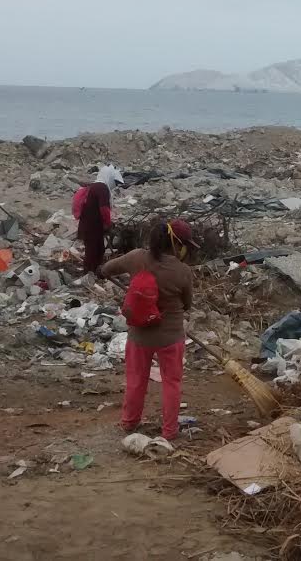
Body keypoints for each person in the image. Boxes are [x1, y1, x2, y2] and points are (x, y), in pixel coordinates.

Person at [99, 219, 196, 440]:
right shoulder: (182, 271)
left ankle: (129, 423)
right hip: (170, 337)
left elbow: (107, 269)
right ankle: (169, 431)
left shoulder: (137, 258)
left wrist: (103, 271)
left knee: (136, 380)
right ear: (177, 244)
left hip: (139, 335)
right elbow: (187, 304)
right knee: (171, 383)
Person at [76, 165, 123, 273]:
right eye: (115, 182)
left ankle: (95, 272)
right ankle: (89, 274)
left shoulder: (96, 186)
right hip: (92, 226)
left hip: (90, 225)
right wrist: (108, 223)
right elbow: (104, 209)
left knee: (97, 249)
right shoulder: (102, 188)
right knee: (93, 251)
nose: (115, 185)